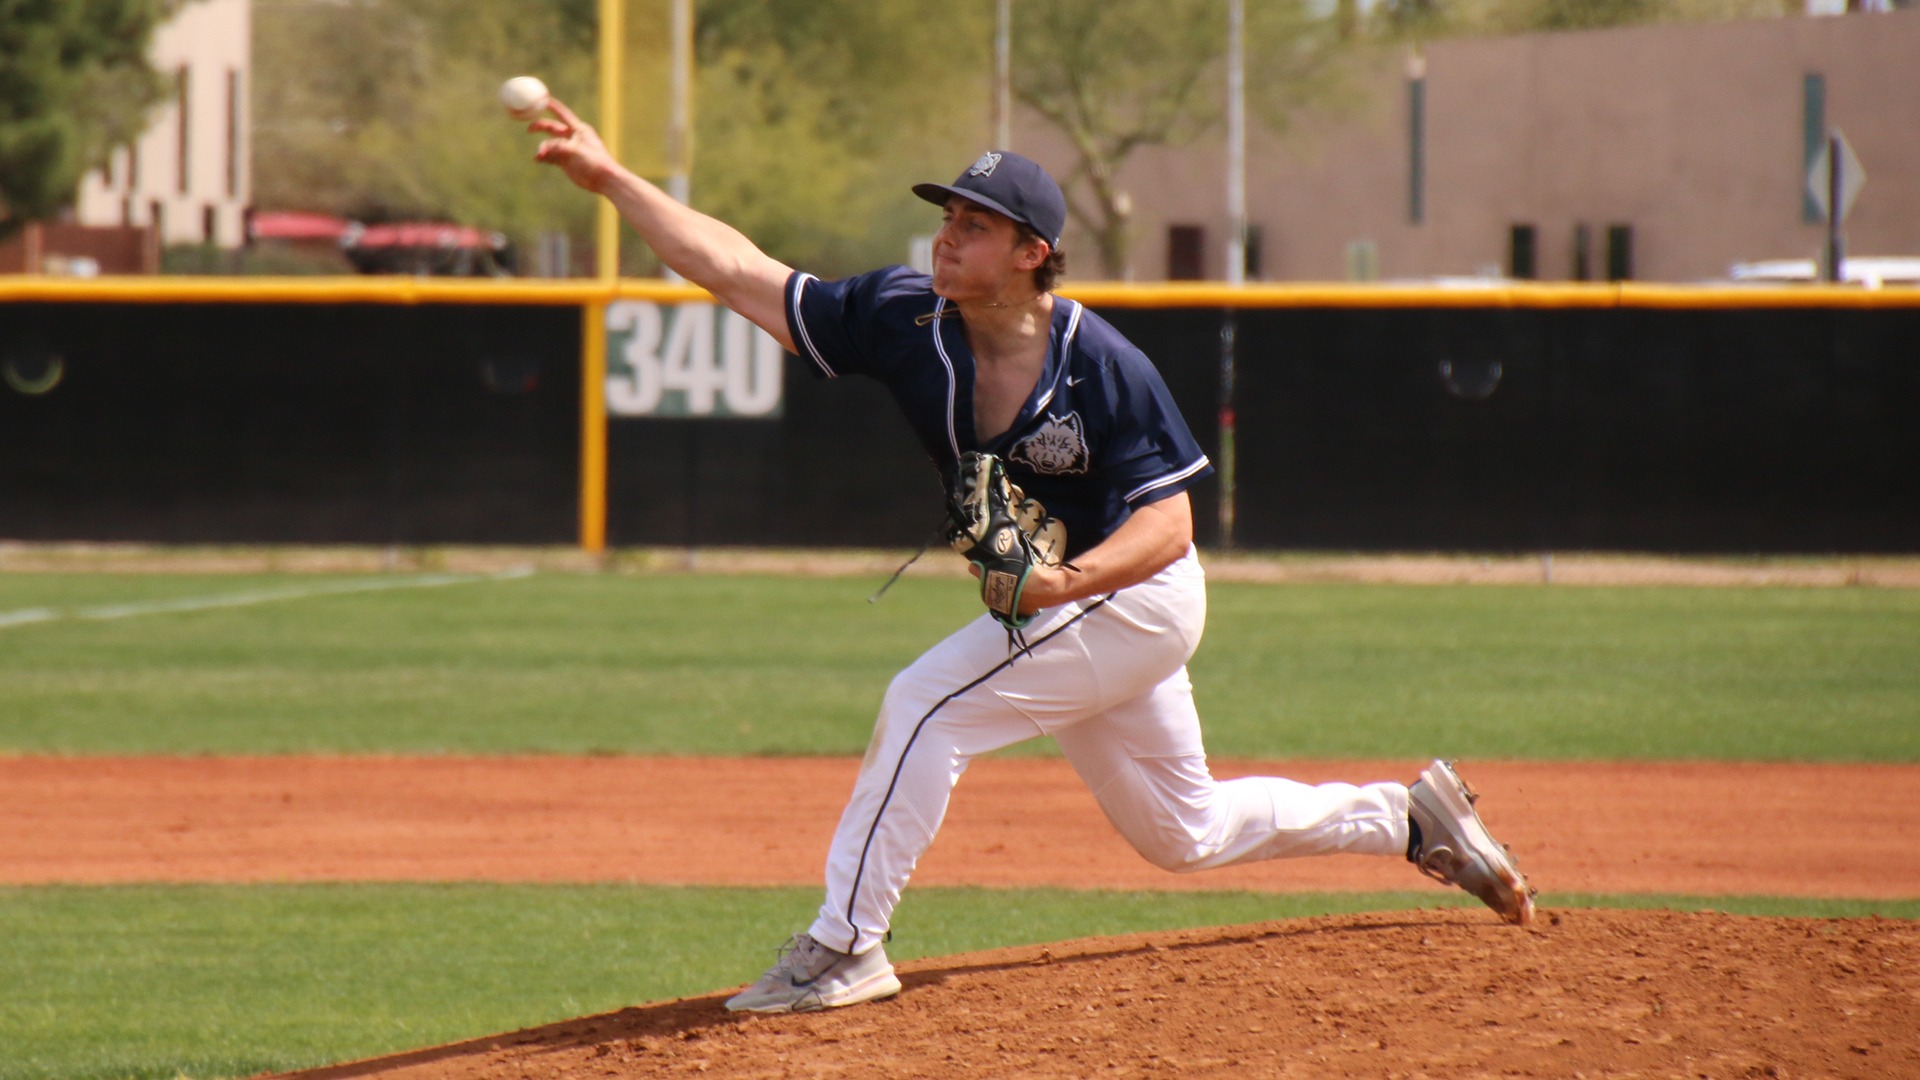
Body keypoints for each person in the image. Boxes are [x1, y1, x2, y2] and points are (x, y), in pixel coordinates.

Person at [525, 99, 1534, 1016]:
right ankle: (1404, 819)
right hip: (1073, 611)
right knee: (1181, 834)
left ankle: (845, 944)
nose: (947, 236)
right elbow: (740, 272)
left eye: (973, 225)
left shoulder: (1103, 366)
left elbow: (1170, 528)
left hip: (1133, 597)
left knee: (924, 704)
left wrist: (1062, 583)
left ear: (1029, 251)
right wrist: (612, 178)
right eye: (947, 217)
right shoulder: (903, 317)